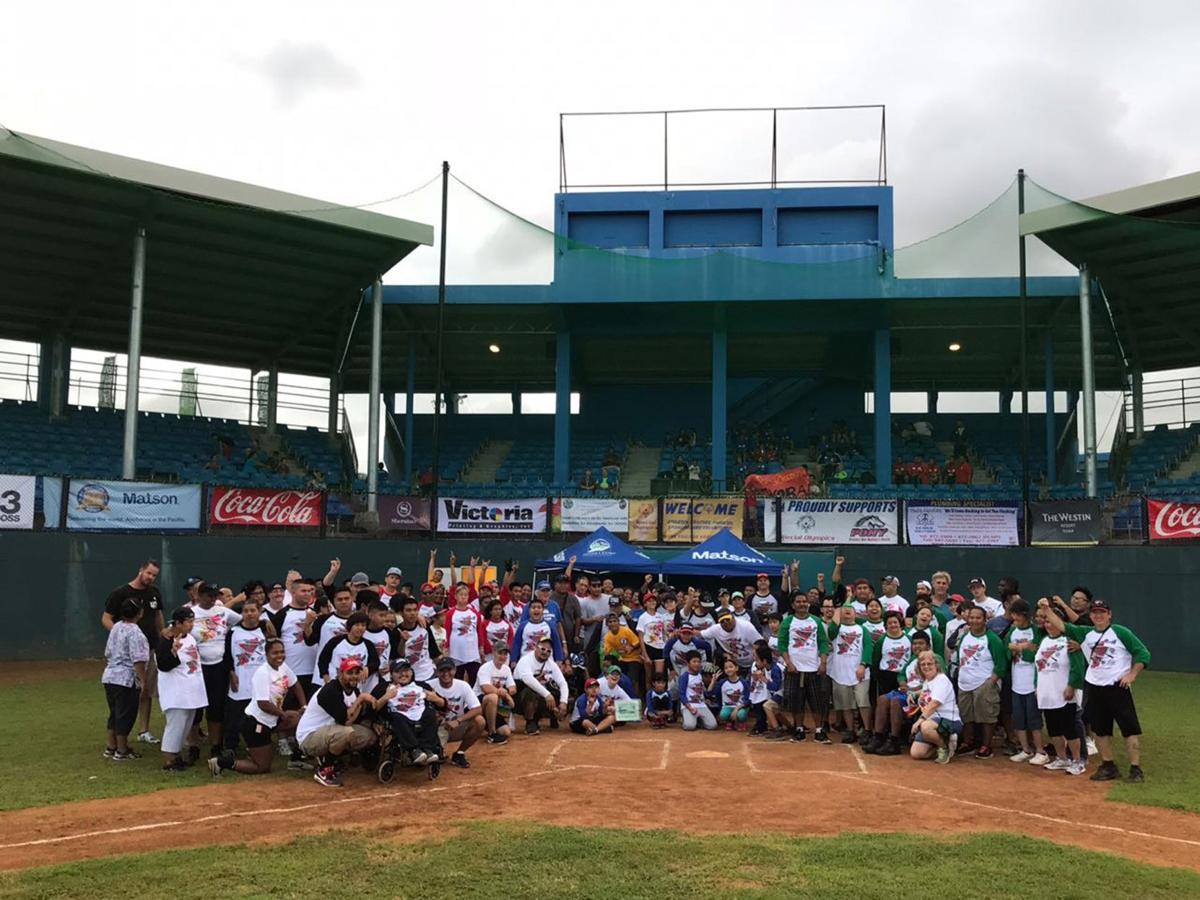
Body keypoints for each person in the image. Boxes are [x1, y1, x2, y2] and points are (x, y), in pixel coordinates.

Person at [1042, 598, 1150, 783]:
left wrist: (1132, 674)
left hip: (1117, 687)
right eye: (1095, 612)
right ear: (1090, 615)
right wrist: (1046, 609)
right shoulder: (1086, 633)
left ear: (1109, 614)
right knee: (1100, 730)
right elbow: (1061, 626)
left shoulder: (1120, 632)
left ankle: (1135, 768)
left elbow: (1142, 653)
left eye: (1102, 612)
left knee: (1129, 728)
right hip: (1095, 686)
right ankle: (1108, 765)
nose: (1098, 616)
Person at [209, 638, 306, 776]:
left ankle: (296, 757)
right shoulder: (262, 673)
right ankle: (221, 763)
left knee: (301, 719)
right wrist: (283, 714)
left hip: (273, 719)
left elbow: (295, 684)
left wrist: (304, 706)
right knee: (262, 767)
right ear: (266, 655)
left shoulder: (283, 667)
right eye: (275, 653)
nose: (279, 656)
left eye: (282, 652)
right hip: (257, 722)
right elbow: (263, 704)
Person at [101, 559, 163, 745]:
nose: (150, 577)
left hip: (150, 648)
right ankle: (119, 742)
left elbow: (158, 615)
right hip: (126, 657)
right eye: (149, 573)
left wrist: (162, 637)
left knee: (146, 690)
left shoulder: (154, 593)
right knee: (124, 697)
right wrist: (123, 636)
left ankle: (144, 730)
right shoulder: (121, 593)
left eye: (154, 575)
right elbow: (106, 618)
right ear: (141, 570)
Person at [296, 658, 378, 787]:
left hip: (329, 730)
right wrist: (360, 699)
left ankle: (336, 760)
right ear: (340, 673)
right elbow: (346, 721)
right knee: (346, 733)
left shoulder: (354, 691)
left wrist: (373, 722)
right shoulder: (330, 690)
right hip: (309, 737)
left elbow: (356, 719)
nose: (354, 676)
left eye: (357, 673)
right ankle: (324, 769)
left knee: (368, 735)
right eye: (349, 673)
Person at [1033, 599, 1087, 775]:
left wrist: (1072, 685)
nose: (1048, 624)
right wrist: (1036, 686)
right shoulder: (1044, 641)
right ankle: (1062, 758)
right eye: (1046, 621)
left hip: (1063, 691)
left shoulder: (1069, 641)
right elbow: (1038, 666)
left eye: (1051, 621)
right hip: (1046, 691)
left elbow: (1077, 667)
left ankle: (1077, 761)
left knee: (1069, 728)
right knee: (1053, 728)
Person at [952, 606, 1008, 759]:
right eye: (972, 617)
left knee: (987, 716)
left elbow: (1001, 664)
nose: (974, 621)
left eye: (978, 618)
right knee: (966, 715)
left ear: (985, 620)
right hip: (964, 683)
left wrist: (991, 682)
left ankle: (986, 745)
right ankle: (968, 742)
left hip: (984, 683)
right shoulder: (965, 636)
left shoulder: (992, 639)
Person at [156, 607, 207, 772]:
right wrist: (173, 652)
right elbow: (163, 665)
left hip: (191, 689)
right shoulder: (166, 640)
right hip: (176, 691)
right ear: (178, 623)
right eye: (188, 622)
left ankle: (176, 755)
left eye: (192, 621)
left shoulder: (190, 637)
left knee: (186, 723)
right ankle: (169, 759)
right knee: (176, 724)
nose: (191, 625)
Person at [777, 592, 831, 743]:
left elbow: (823, 642)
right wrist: (789, 663)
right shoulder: (788, 622)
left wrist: (823, 663)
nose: (802, 604)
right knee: (796, 701)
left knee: (817, 701)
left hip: (814, 668)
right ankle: (799, 729)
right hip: (794, 669)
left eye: (804, 601)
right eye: (798, 602)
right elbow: (782, 644)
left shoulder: (816, 621)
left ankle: (819, 730)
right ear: (793, 605)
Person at [101, 598, 150, 761]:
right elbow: (138, 660)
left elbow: (108, 651)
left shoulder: (116, 627)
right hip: (125, 679)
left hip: (109, 676)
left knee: (115, 712)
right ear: (140, 613)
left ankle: (111, 746)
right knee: (125, 714)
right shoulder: (136, 633)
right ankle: (122, 750)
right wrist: (143, 680)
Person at [222, 597, 272, 754]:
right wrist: (231, 673)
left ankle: (258, 743)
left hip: (260, 680)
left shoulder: (264, 630)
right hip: (241, 679)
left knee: (260, 715)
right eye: (245, 611)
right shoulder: (234, 632)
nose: (249, 614)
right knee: (235, 715)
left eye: (252, 610)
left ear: (259, 612)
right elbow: (227, 656)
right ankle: (231, 746)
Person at [1002, 598, 1048, 766]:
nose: (1015, 618)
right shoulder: (1012, 631)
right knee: (1019, 718)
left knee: (1034, 719)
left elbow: (1036, 654)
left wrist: (1020, 648)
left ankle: (1040, 751)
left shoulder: (1036, 631)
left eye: (1018, 615)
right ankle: (1025, 749)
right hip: (1017, 682)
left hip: (1032, 682)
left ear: (1025, 615)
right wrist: (1014, 650)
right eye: (1013, 614)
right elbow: (1006, 651)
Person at [374, 659, 444, 766]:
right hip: (400, 719)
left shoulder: (421, 686)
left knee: (430, 713)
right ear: (391, 674)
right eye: (398, 671)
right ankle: (414, 750)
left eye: (406, 670)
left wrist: (437, 699)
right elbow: (372, 709)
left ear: (411, 672)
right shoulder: (383, 688)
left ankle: (427, 749)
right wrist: (385, 697)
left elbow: (443, 705)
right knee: (396, 717)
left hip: (421, 718)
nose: (403, 674)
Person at [865, 612, 911, 756]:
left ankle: (896, 737)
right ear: (885, 626)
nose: (893, 625)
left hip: (903, 676)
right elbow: (876, 659)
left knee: (897, 706)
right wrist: (877, 677)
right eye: (890, 623)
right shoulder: (882, 640)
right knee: (883, 704)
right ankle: (880, 737)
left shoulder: (908, 639)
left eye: (895, 622)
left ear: (900, 623)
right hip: (886, 676)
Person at [828, 601, 873, 744]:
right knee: (845, 703)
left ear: (855, 613)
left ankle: (867, 730)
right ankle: (850, 730)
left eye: (850, 609)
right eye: (844, 609)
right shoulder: (836, 630)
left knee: (862, 701)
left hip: (860, 671)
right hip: (840, 671)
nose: (847, 611)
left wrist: (863, 665)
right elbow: (831, 631)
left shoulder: (862, 629)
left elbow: (868, 647)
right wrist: (838, 610)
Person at [908, 651, 963, 765]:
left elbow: (935, 703)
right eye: (923, 664)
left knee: (925, 726)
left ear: (936, 665)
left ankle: (943, 747)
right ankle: (943, 743)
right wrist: (914, 694)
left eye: (930, 664)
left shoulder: (941, 679)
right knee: (917, 753)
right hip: (932, 721)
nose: (926, 667)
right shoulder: (927, 681)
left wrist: (920, 720)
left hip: (949, 720)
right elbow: (926, 691)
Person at [431, 657, 484, 768]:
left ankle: (460, 753)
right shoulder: (429, 686)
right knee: (435, 758)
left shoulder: (463, 686)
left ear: (455, 670)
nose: (446, 674)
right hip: (435, 728)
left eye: (449, 670)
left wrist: (458, 721)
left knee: (479, 721)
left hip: (455, 726)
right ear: (437, 672)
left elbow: (478, 708)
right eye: (442, 670)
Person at [513, 635, 570, 736]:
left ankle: (554, 716)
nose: (545, 652)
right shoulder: (525, 660)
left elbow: (563, 683)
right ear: (536, 647)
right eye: (543, 649)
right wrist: (547, 694)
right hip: (520, 699)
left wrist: (563, 702)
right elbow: (528, 679)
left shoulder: (551, 664)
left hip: (542, 698)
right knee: (530, 692)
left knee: (569, 699)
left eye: (548, 651)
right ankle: (530, 722)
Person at [475, 641, 516, 744]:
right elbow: (485, 688)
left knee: (506, 732)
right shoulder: (485, 668)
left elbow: (513, 688)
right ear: (493, 652)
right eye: (500, 653)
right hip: (478, 702)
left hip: (493, 704)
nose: (503, 656)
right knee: (493, 697)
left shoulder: (506, 669)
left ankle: (487, 724)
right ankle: (492, 733)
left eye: (505, 654)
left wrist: (506, 691)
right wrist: (505, 695)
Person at [443, 584, 485, 684]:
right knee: (458, 679)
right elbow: (447, 631)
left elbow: (479, 631)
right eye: (461, 594)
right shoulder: (450, 613)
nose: (463, 597)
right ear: (455, 596)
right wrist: (446, 647)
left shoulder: (475, 613)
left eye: (465, 595)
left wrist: (481, 647)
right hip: (456, 652)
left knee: (474, 678)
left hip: (472, 652)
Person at [700, 612, 761, 676]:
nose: (726, 622)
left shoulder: (746, 626)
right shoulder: (716, 629)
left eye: (727, 619)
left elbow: (760, 644)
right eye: (722, 621)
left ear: (733, 618)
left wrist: (759, 663)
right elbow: (700, 634)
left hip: (754, 662)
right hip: (736, 665)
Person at [602, 612, 643, 695]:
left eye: (615, 621)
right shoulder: (608, 637)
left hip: (634, 658)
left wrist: (631, 647)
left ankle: (635, 698)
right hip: (622, 659)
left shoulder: (626, 631)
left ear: (618, 622)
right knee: (619, 678)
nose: (613, 623)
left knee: (633, 680)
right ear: (607, 624)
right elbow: (607, 652)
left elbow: (638, 643)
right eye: (610, 622)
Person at [677, 650, 718, 731]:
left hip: (701, 704)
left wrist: (712, 682)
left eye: (698, 661)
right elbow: (681, 694)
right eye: (694, 661)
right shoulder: (685, 676)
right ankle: (685, 718)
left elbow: (706, 693)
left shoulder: (700, 675)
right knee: (689, 726)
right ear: (688, 663)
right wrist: (690, 708)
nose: (697, 664)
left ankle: (698, 720)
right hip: (689, 705)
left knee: (712, 725)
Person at [714, 658, 752, 730]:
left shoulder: (743, 682)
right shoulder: (722, 682)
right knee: (723, 715)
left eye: (731, 667)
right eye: (726, 668)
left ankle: (740, 722)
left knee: (741, 715)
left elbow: (748, 699)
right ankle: (730, 721)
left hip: (740, 707)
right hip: (728, 707)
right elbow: (716, 695)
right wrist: (713, 682)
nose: (729, 669)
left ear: (736, 668)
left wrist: (737, 708)